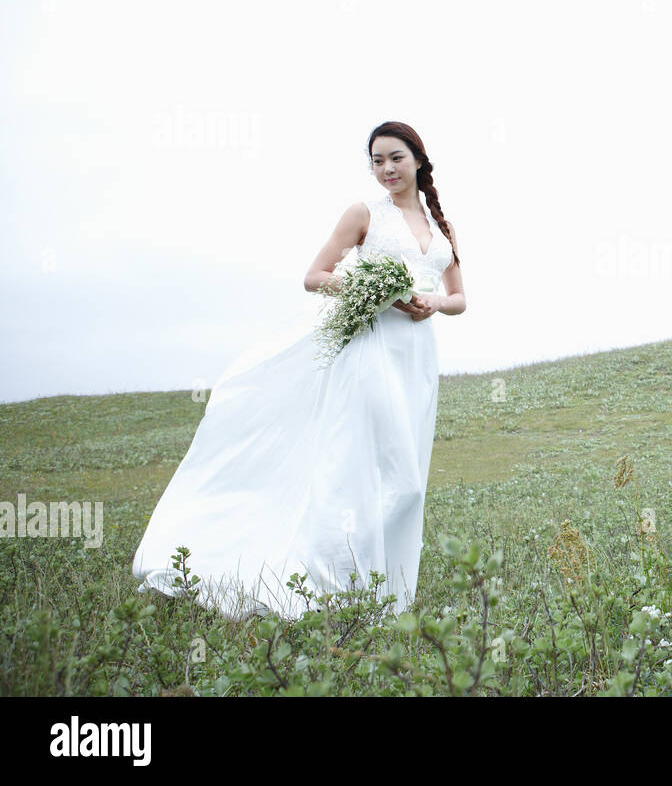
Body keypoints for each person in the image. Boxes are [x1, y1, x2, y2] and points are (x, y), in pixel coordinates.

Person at [131, 121, 466, 620]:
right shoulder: (363, 214)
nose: (386, 169)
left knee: (408, 479)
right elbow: (315, 277)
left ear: (418, 158)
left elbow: (460, 298)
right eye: (376, 161)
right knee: (359, 469)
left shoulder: (442, 225)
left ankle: (387, 594)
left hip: (417, 359)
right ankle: (330, 584)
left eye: (395, 158)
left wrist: (434, 302)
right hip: (370, 349)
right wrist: (378, 293)